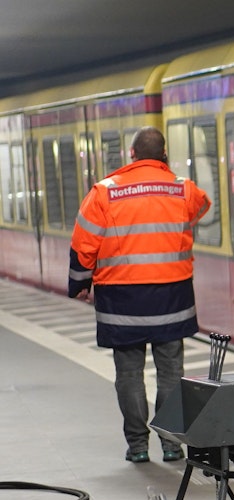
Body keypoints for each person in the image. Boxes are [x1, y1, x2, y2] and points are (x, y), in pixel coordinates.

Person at [69, 127, 212, 463]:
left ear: (131, 155)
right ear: (164, 156)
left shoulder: (104, 193)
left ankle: (137, 445)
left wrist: (79, 284)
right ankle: (171, 443)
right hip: (172, 300)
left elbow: (83, 244)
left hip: (121, 302)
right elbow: (201, 207)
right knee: (170, 373)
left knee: (129, 374)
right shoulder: (183, 190)